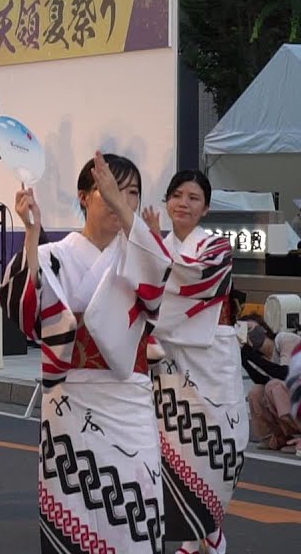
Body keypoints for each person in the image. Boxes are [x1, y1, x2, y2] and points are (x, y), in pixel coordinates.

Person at [1, 152, 170, 552]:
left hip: (128, 398)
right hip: (71, 401)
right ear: (83, 196)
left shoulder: (140, 256)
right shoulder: (54, 255)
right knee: (75, 510)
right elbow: (27, 314)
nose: (119, 201)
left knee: (137, 507)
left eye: (130, 193)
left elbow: (157, 288)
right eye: (109, 191)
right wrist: (31, 232)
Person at [144, 170, 245, 554]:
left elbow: (187, 282)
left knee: (219, 447)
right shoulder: (160, 243)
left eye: (194, 198)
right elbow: (143, 290)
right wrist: (153, 247)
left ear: (206, 208)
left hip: (210, 361)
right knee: (173, 447)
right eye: (177, 195)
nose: (183, 203)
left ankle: (210, 528)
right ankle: (194, 533)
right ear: (167, 201)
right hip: (170, 368)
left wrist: (153, 248)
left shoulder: (216, 248)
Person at [242, 315, 300, 451]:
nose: (248, 335)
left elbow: (285, 373)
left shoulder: (284, 339)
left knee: (274, 386)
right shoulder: (260, 359)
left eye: (249, 329)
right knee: (256, 391)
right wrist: (243, 356)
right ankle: (279, 437)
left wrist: (251, 356)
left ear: (263, 329)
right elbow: (260, 380)